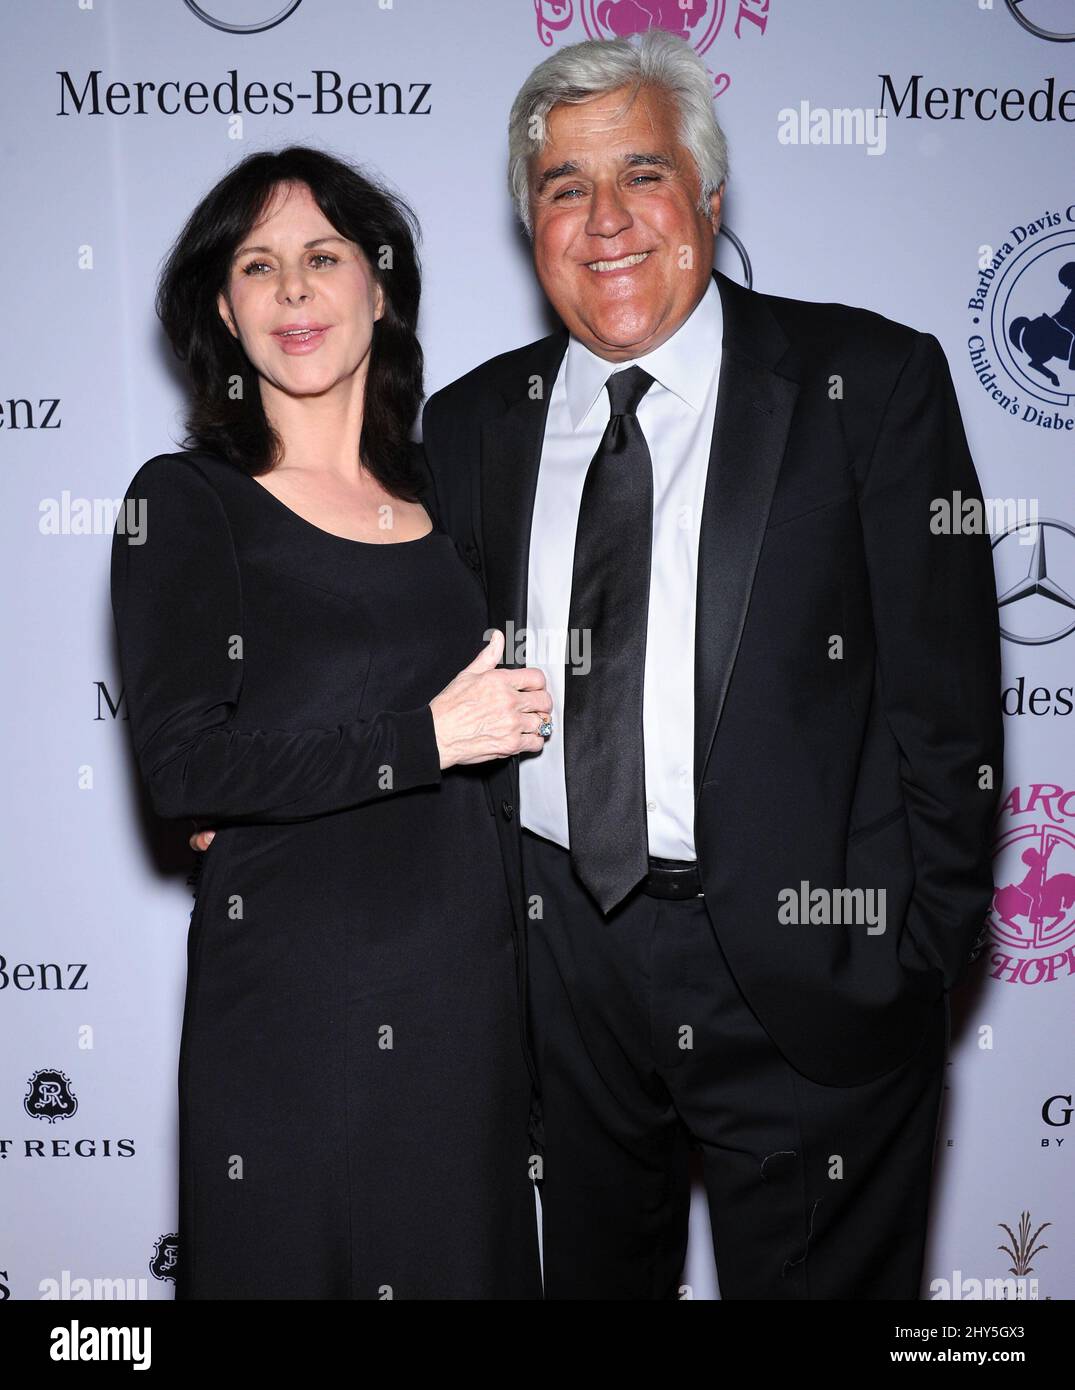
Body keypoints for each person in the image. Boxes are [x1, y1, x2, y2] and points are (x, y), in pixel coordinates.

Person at [418, 31, 1004, 1298]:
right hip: (558, 969)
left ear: (709, 197)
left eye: (642, 172)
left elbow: (947, 705)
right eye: (565, 187)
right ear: (530, 222)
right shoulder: (468, 424)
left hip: (809, 970)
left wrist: (913, 959)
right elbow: (426, 676)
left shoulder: (869, 381)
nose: (605, 219)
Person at [111, 146, 549, 1299]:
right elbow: (183, 763)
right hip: (293, 1005)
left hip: (465, 1002)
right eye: (258, 267)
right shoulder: (188, 500)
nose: (293, 290)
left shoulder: (450, 500)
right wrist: (424, 738)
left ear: (380, 287)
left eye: (322, 257)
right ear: (225, 307)